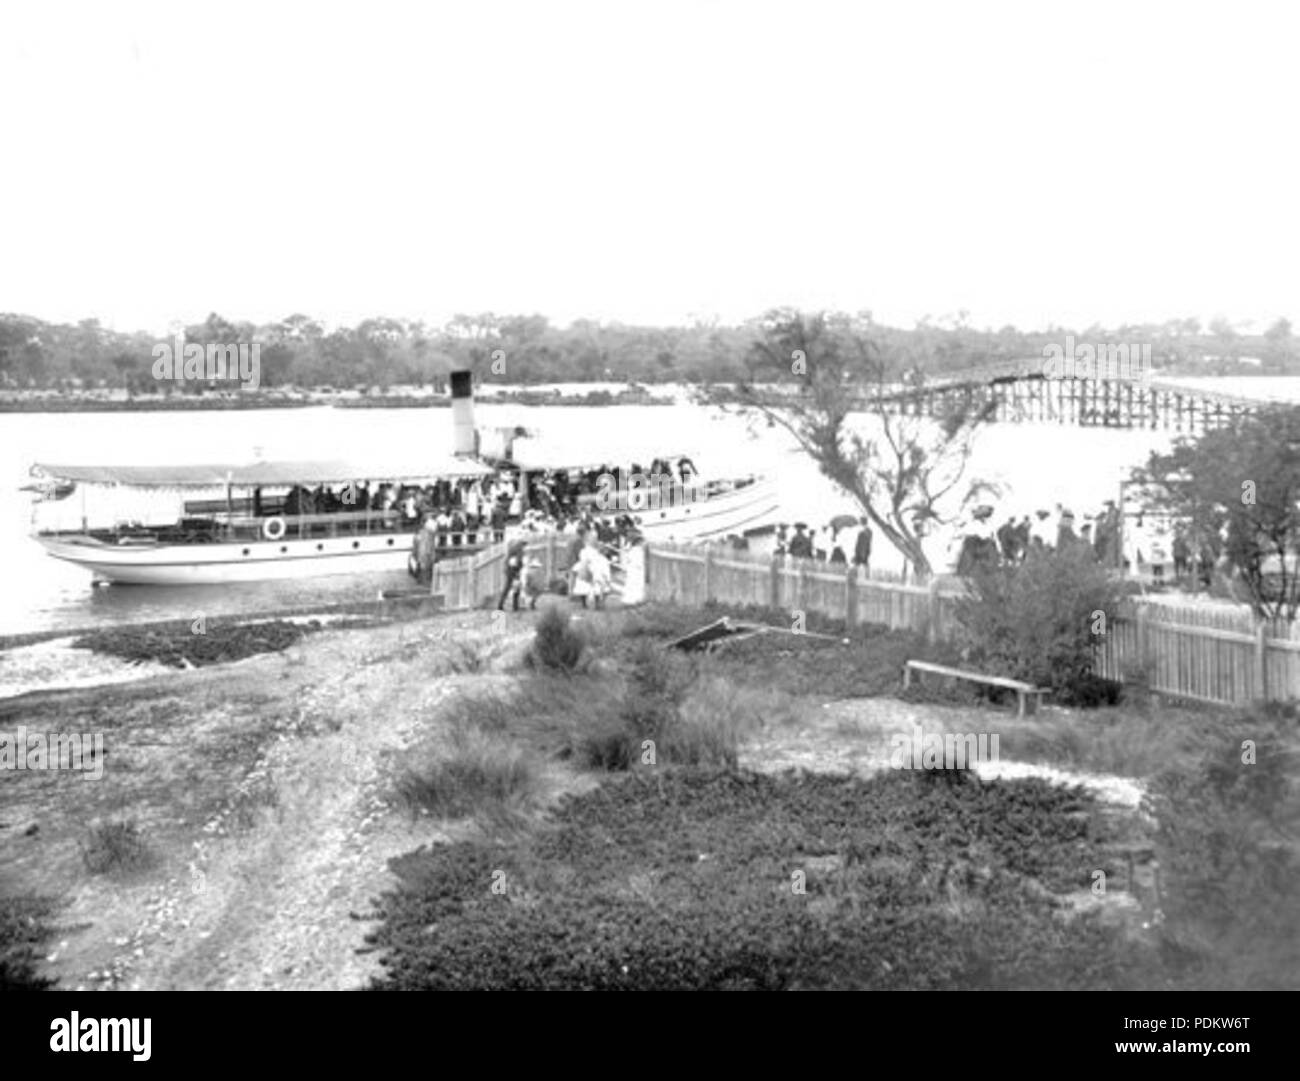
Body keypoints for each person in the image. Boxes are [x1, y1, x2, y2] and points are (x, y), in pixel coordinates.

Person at [498, 537, 528, 611]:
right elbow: (519, 560)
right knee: (515, 587)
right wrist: (520, 567)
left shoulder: (512, 549)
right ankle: (514, 606)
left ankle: (501, 604)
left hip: (509, 569)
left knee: (508, 587)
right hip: (514, 570)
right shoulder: (519, 549)